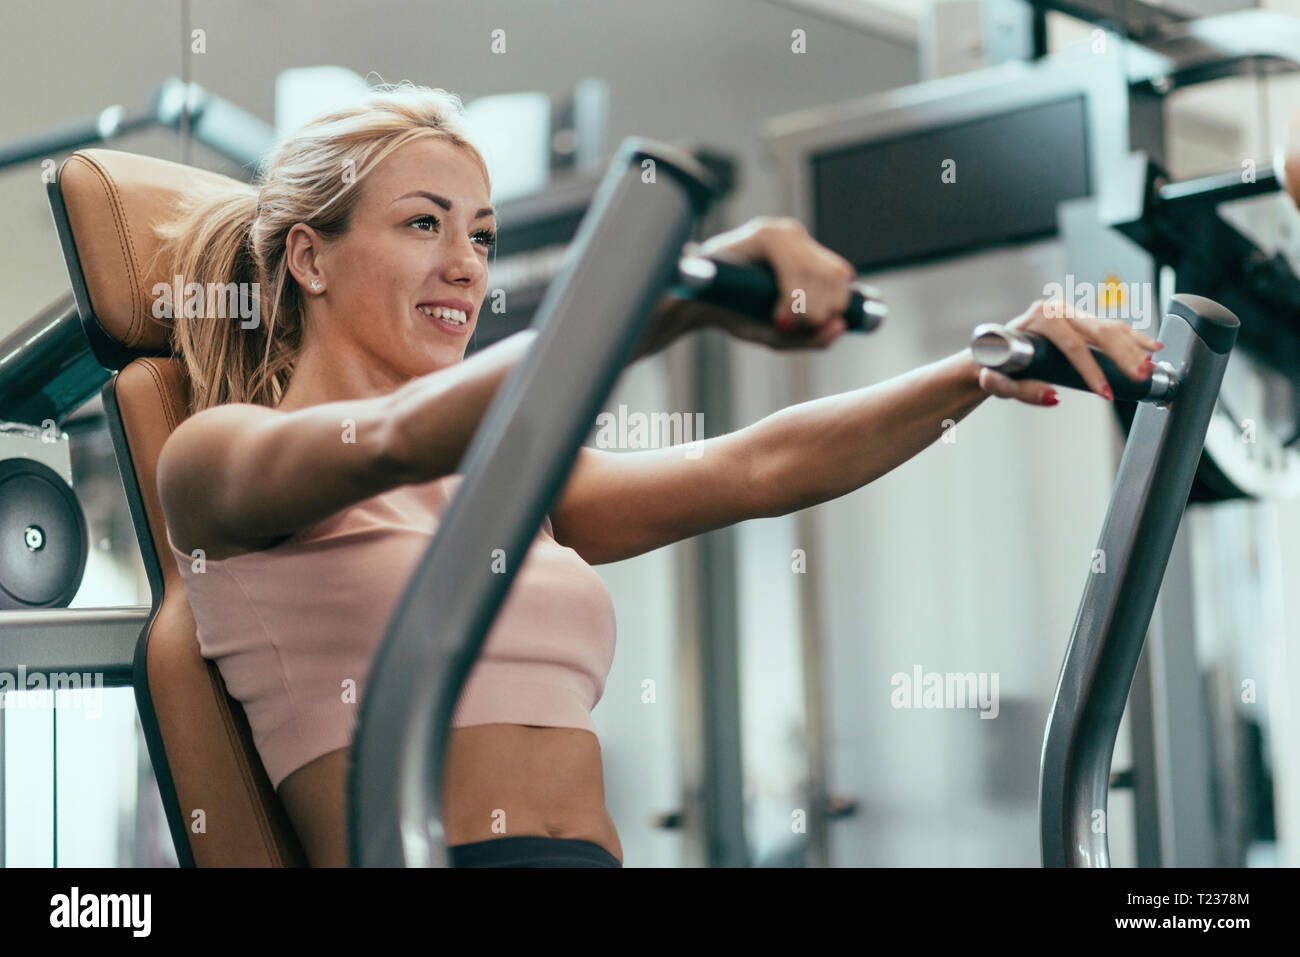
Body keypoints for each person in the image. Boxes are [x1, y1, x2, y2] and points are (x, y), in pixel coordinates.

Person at [154, 83, 1161, 868]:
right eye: (424, 224)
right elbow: (390, 439)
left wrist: (976, 368)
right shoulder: (217, 458)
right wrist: (668, 291)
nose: (466, 265)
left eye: (481, 235)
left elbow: (758, 465)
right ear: (309, 259)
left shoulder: (509, 493)